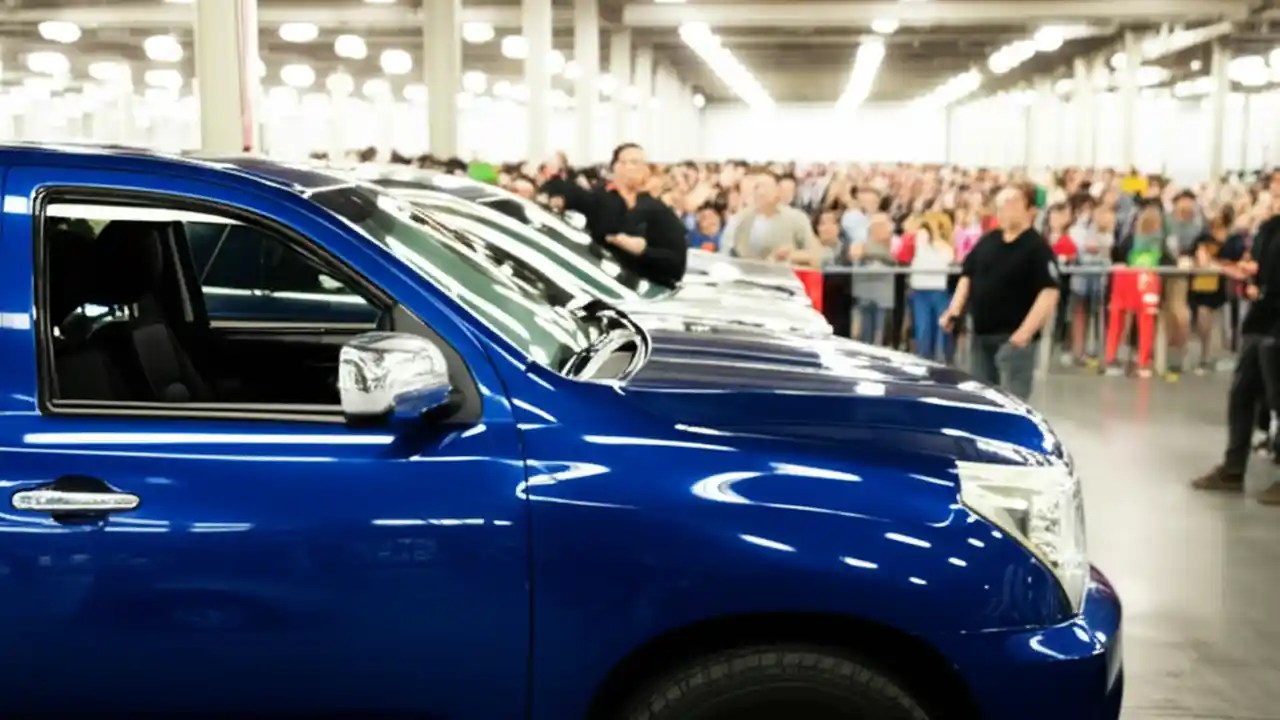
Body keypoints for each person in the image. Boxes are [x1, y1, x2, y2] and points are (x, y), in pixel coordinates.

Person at [1192, 169, 1280, 506]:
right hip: (1260, 323)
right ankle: (1232, 468)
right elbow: (1258, 266)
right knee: (1243, 394)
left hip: (1276, 325)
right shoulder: (1266, 229)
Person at [940, 184, 1061, 400]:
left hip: (1013, 339)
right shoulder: (988, 240)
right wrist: (954, 310)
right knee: (981, 396)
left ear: (1031, 210)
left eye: (1013, 203)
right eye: (1002, 204)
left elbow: (1049, 293)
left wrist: (1024, 333)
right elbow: (967, 276)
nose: (1005, 209)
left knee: (1012, 399)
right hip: (981, 335)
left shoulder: (1037, 248)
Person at [540, 143, 688, 287]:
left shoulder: (657, 209)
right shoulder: (601, 199)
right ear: (617, 166)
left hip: (645, 289)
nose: (641, 168)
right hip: (604, 284)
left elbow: (676, 260)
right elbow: (570, 195)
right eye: (634, 162)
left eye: (642, 163)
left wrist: (643, 251)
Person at [729, 171, 824, 268]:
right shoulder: (744, 220)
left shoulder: (796, 218)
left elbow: (815, 257)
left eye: (765, 187)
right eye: (757, 187)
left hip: (785, 278)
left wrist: (790, 256)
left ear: (778, 190)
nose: (760, 192)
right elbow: (737, 254)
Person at [1188, 213, 1242, 374]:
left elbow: (1237, 261)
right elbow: (1196, 257)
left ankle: (1211, 355)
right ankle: (1204, 354)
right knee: (1203, 318)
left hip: (1221, 287)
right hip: (1202, 286)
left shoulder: (1233, 242)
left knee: (1217, 322)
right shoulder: (1203, 239)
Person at [909, 211, 955, 361]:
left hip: (939, 291)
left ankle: (945, 360)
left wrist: (935, 236)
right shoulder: (920, 240)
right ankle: (925, 360)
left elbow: (949, 256)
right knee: (923, 330)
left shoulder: (946, 247)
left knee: (942, 329)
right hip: (920, 291)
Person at [849, 213, 897, 345]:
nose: (879, 229)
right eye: (875, 226)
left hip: (884, 299)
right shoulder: (861, 242)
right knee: (864, 336)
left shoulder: (895, 243)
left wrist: (869, 251)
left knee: (881, 335)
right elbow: (855, 253)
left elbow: (895, 258)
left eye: (882, 226)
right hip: (864, 296)